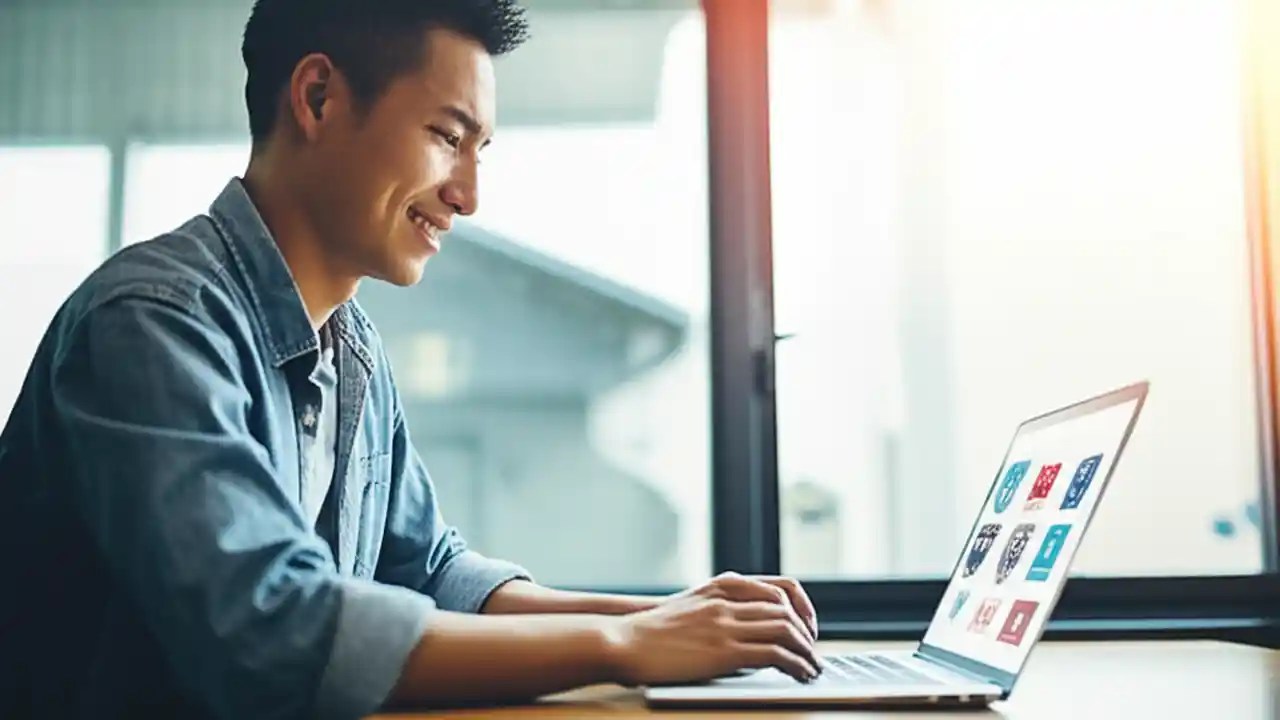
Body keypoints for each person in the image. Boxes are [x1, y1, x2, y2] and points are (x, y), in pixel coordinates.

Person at [0, 1, 822, 718]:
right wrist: (623, 642)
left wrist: (673, 617)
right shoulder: (151, 325)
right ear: (318, 97)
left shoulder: (350, 347)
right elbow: (271, 626)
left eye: (479, 150)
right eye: (445, 136)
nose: (468, 193)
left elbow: (431, 573)